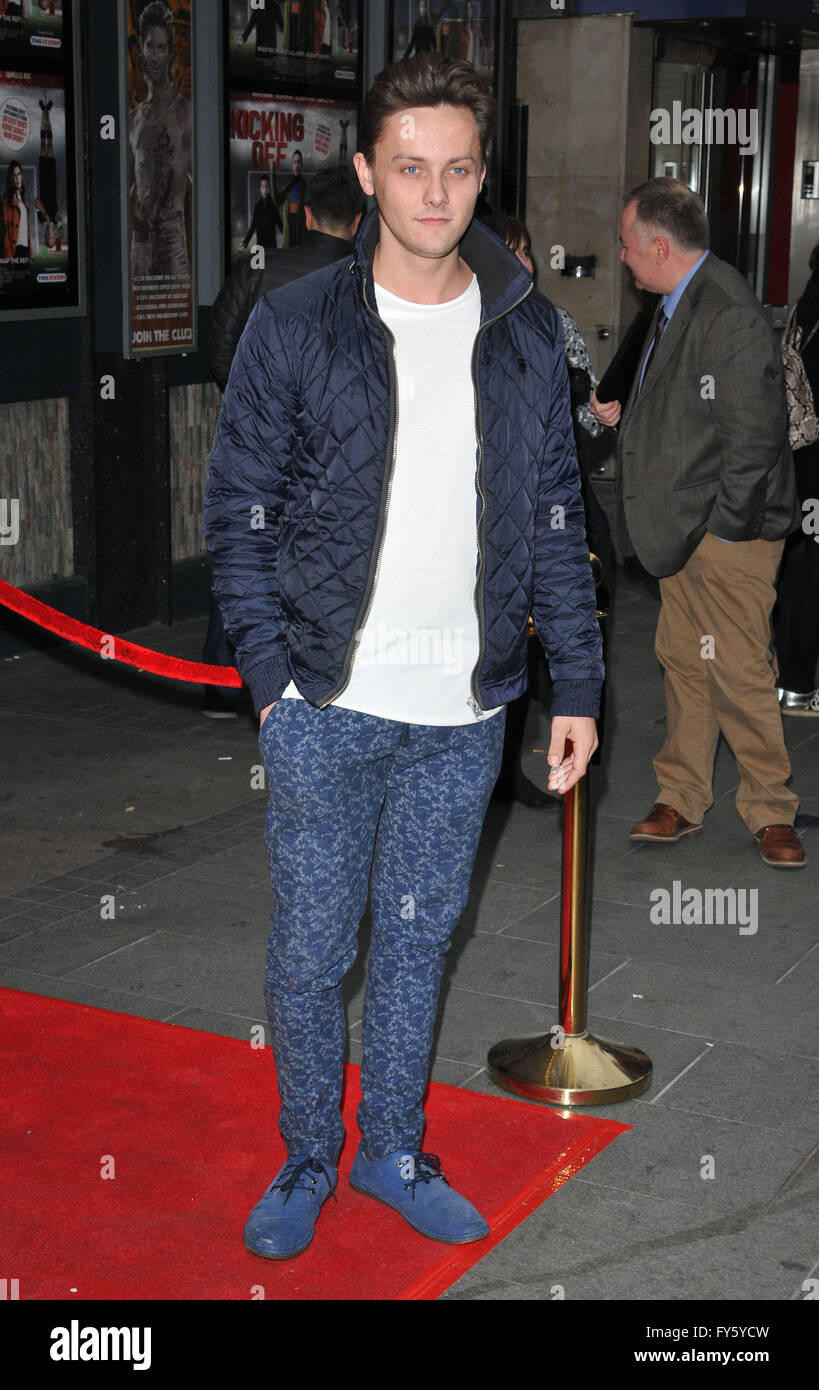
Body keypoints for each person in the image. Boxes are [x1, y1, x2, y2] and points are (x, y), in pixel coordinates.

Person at [205, 51, 602, 1260]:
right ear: (369, 172)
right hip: (326, 700)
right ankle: (310, 1156)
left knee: (422, 939)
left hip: (466, 709)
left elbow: (553, 519)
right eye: (412, 167)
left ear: (484, 175)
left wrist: (574, 682)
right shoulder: (296, 322)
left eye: (460, 168)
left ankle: (391, 1148)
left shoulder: (525, 330)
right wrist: (271, 680)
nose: (437, 194)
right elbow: (239, 510)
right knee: (315, 953)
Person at [599, 177, 803, 868]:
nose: (622, 258)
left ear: (659, 245)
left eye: (627, 246)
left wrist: (722, 532)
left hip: (725, 536)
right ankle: (681, 798)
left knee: (738, 669)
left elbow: (754, 439)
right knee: (685, 663)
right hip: (681, 527)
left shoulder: (725, 311)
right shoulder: (671, 302)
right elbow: (685, 407)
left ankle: (770, 809)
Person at [202, 166, 365, 717]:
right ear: (360, 220)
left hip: (263, 444)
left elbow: (219, 343)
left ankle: (224, 683)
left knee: (242, 547)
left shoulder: (261, 266)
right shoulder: (369, 277)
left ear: (306, 214)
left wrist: (254, 406)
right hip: (334, 453)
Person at [480, 211, 617, 807]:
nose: (525, 263)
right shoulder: (472, 322)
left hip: (556, 493)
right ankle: (499, 769)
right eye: (511, 251)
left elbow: (584, 409)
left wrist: (596, 412)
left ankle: (564, 746)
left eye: (528, 251)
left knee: (579, 599)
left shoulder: (551, 322)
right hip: (495, 507)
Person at [774, 241, 819, 715]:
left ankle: (789, 678)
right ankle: (797, 684)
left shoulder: (809, 298)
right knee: (808, 578)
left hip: (801, 462)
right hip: (814, 468)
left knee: (799, 573)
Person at [128, 1, 192, 280]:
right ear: (140, 49)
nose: (155, 56)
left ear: (170, 54)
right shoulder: (133, 119)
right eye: (150, 46)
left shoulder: (185, 110)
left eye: (161, 48)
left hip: (171, 238)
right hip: (140, 239)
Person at [241, 176, 282, 253]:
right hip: (260, 246)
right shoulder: (257, 206)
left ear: (269, 188)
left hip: (271, 246)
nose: (265, 189)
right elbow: (253, 226)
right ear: (260, 188)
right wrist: (245, 243)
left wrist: (290, 239)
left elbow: (280, 224)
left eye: (266, 186)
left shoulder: (274, 205)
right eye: (263, 186)